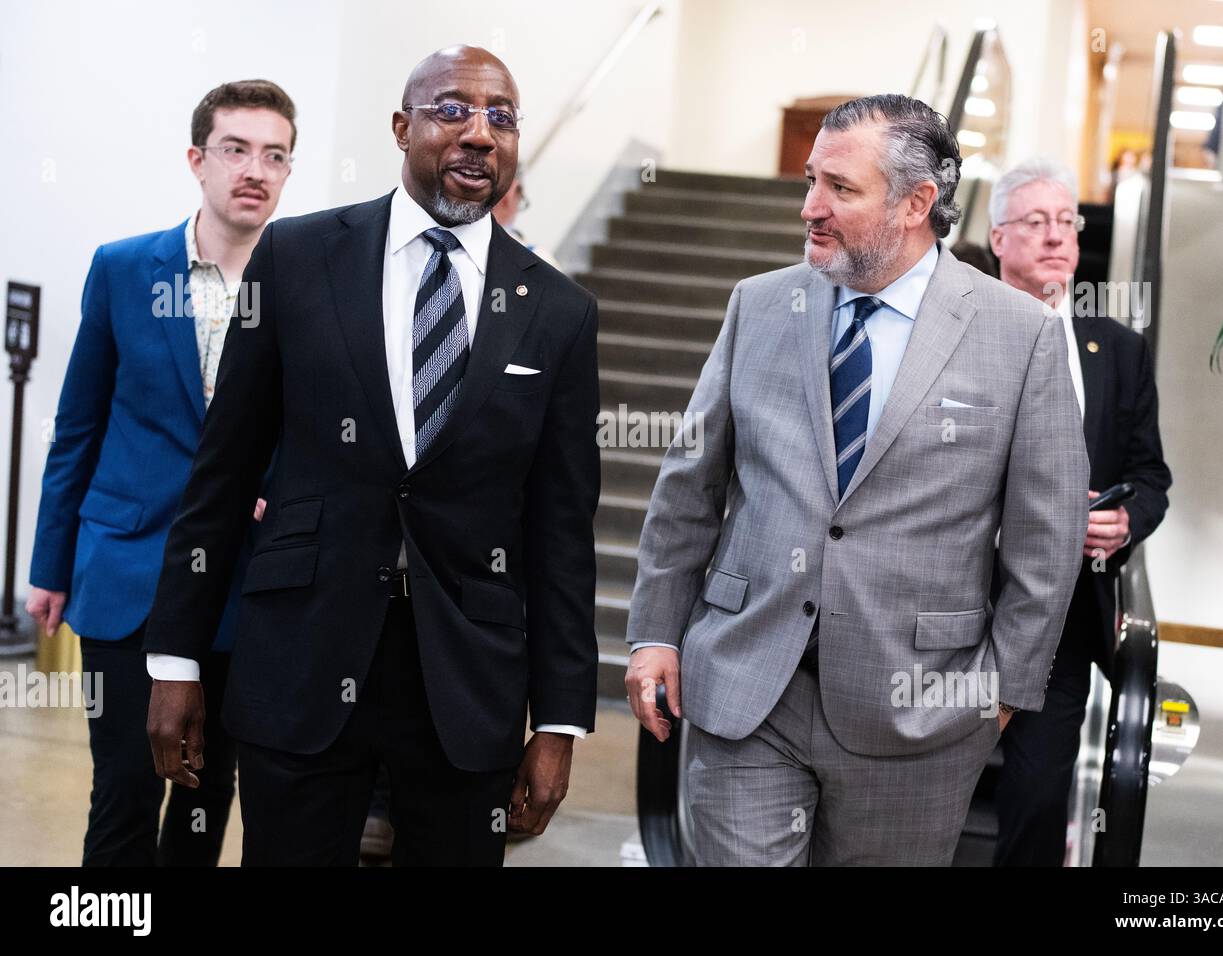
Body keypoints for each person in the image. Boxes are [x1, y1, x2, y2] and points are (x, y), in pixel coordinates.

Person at [142, 45, 599, 867]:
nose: (479, 136)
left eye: (501, 118)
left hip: (465, 687)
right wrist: (177, 661)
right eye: (453, 110)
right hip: (304, 662)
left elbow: (562, 532)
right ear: (402, 127)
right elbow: (224, 474)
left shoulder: (559, 311)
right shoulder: (297, 258)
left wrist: (559, 721)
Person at [623, 94, 1090, 866]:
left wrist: (999, 690)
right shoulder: (760, 305)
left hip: (920, 712)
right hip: (747, 686)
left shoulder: (1020, 338)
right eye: (812, 181)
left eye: (840, 188)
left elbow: (1047, 539)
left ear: (917, 203)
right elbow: (688, 488)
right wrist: (653, 633)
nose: (811, 207)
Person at [26, 79, 297, 866]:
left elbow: (317, 432)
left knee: (209, 793)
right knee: (124, 787)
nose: (255, 169)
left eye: (275, 155)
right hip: (127, 567)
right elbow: (77, 426)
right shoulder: (122, 270)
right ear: (197, 159)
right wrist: (51, 565)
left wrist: (273, 493)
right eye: (236, 149)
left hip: (240, 584)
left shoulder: (304, 288)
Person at [987, 158, 1171, 865]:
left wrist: (1126, 522)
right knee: (916, 785)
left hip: (1060, 617)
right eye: (1037, 222)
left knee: (1037, 800)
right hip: (948, 606)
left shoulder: (1118, 351)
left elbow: (1150, 475)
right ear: (999, 237)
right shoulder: (956, 334)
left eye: (1068, 222)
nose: (1058, 237)